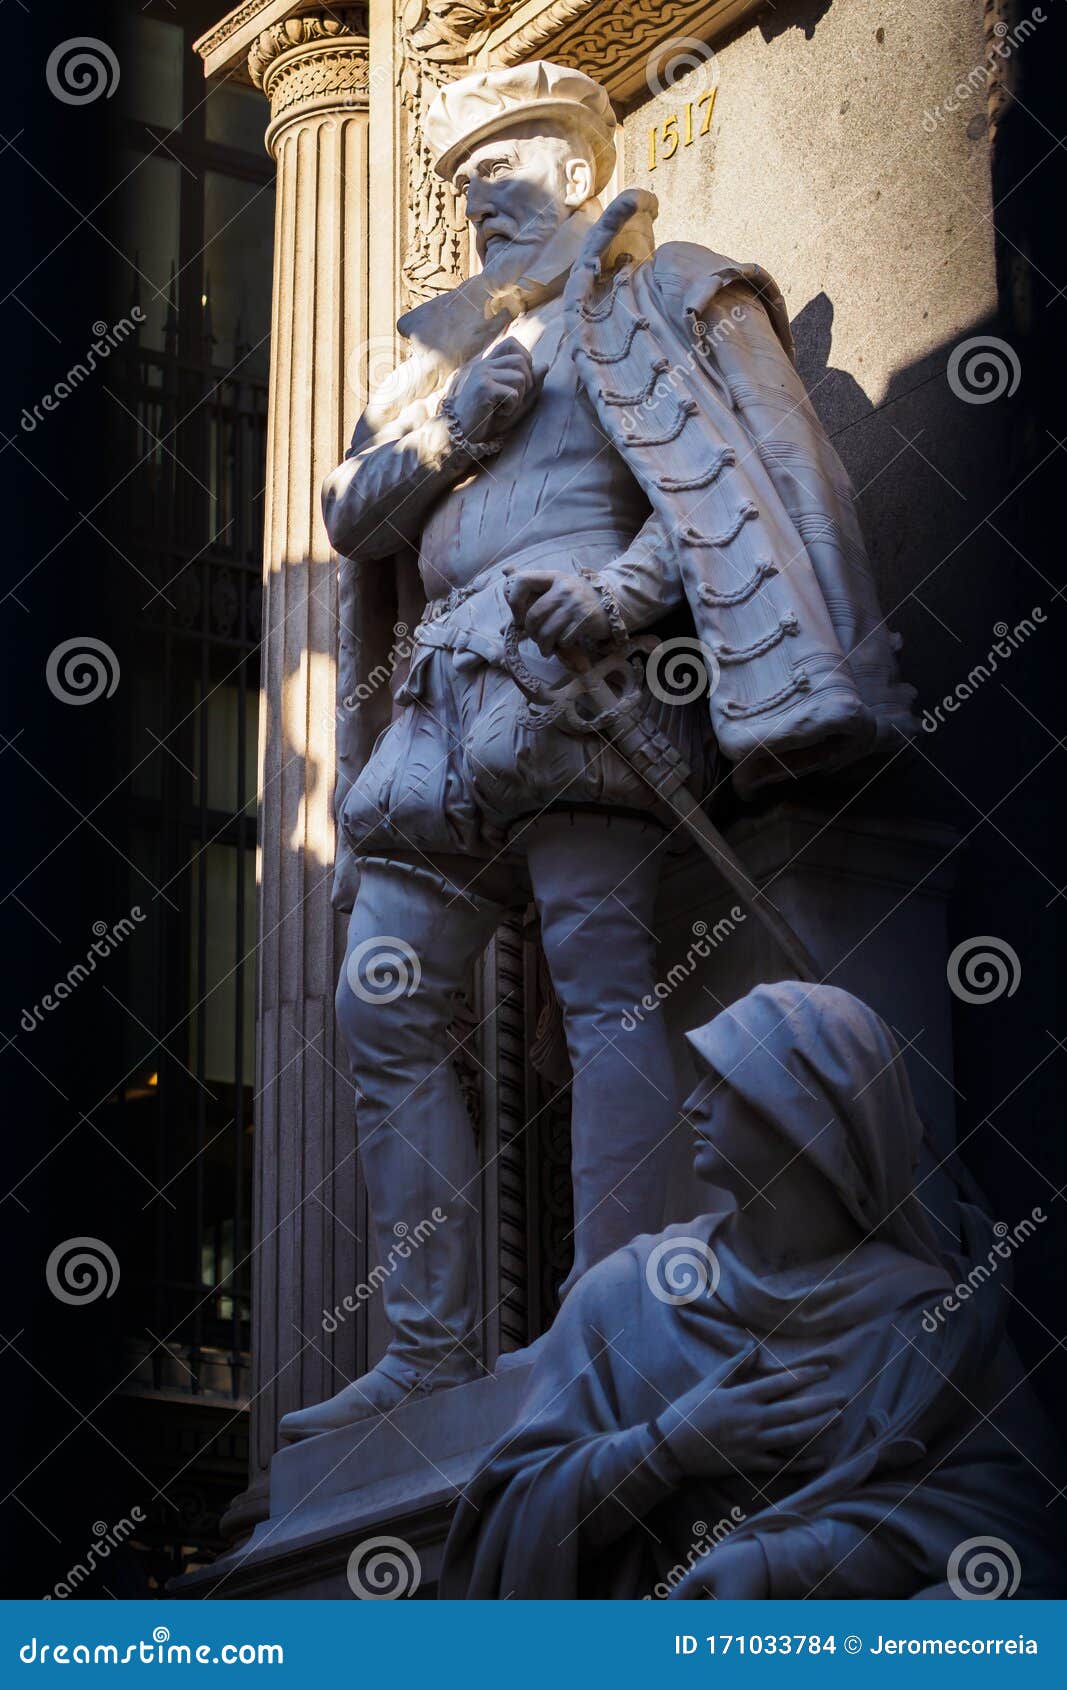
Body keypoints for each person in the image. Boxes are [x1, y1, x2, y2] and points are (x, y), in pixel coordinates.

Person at [281, 58, 915, 1438]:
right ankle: (428, 1347)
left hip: (587, 680)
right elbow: (350, 513)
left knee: (602, 983)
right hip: (442, 698)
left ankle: (607, 1309)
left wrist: (623, 592)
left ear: (571, 171)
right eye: (459, 185)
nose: (474, 205)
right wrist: (460, 427)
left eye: (497, 175)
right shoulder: (444, 358)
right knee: (380, 1000)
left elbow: (726, 471)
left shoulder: (658, 288)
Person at [440, 983, 1062, 1598]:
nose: (691, 1104)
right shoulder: (626, 1297)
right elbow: (502, 1530)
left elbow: (1022, 1551)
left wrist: (784, 1564)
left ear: (804, 1111)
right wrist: (665, 1450)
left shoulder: (930, 1326)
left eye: (722, 1082)